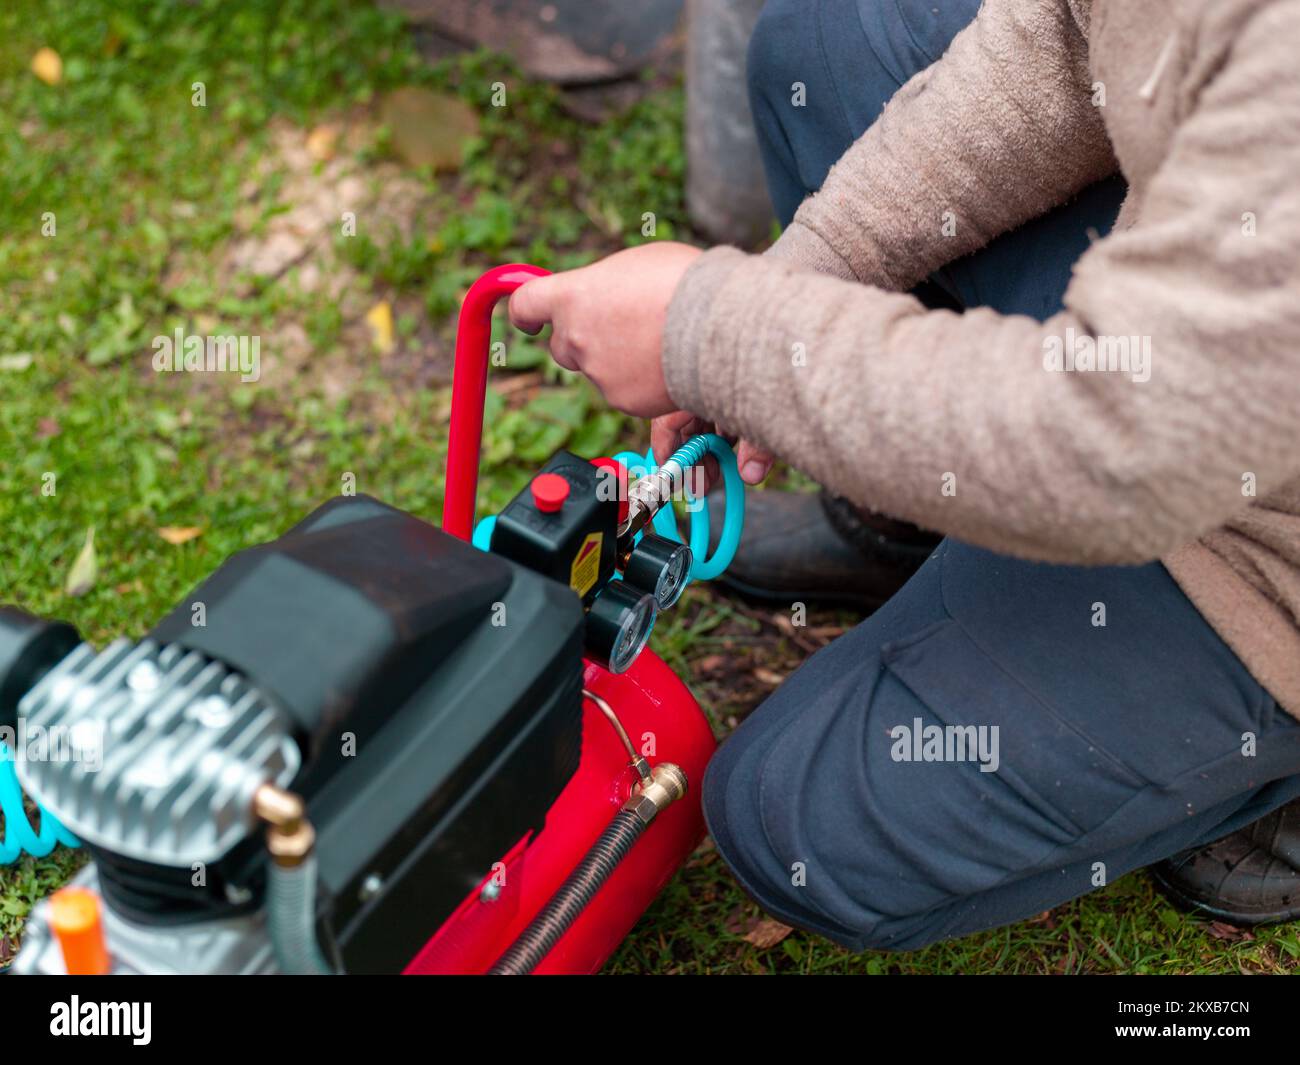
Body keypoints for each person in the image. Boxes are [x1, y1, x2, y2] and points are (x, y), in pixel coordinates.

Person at [507, 0, 1300, 949]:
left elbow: (1123, 444)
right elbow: (1066, 32)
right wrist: (813, 272)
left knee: (789, 818)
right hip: (1201, 321)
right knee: (820, 55)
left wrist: (721, 334)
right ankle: (914, 519)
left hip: (1229, 515)